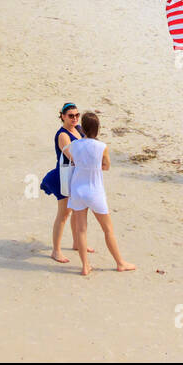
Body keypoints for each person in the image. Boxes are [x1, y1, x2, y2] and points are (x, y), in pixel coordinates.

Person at [64, 112, 135, 276]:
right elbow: (106, 166)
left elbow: (74, 160)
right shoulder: (102, 146)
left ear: (83, 126)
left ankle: (85, 266)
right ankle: (120, 262)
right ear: (97, 129)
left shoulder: (74, 145)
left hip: (77, 189)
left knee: (81, 229)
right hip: (94, 191)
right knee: (108, 230)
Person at [39, 104, 94, 264]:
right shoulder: (62, 135)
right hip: (64, 176)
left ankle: (77, 243)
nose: (75, 118)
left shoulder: (79, 129)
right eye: (71, 115)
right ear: (62, 116)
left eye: (77, 115)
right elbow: (72, 156)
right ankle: (56, 251)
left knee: (77, 211)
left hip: (76, 175)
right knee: (63, 214)